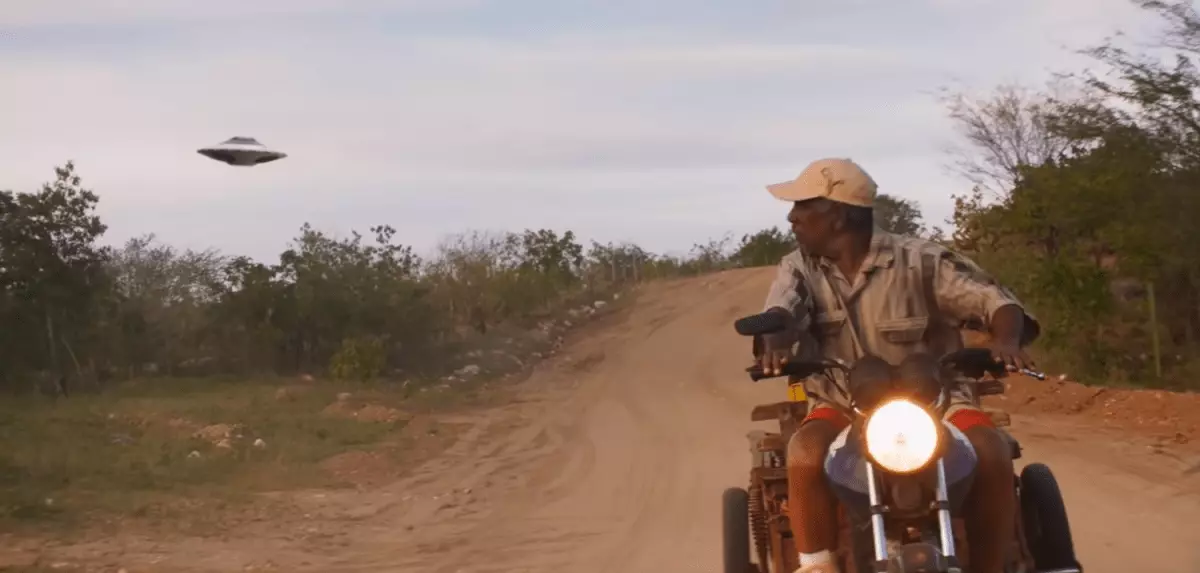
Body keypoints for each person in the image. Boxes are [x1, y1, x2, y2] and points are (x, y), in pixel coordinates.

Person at [757, 158, 1040, 573]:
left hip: (939, 404)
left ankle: (988, 566)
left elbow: (994, 301)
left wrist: (1006, 339)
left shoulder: (921, 260)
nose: (791, 216)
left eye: (803, 206)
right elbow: (781, 313)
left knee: (992, 452)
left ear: (838, 216)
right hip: (840, 403)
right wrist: (775, 346)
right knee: (803, 453)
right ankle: (816, 564)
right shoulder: (798, 268)